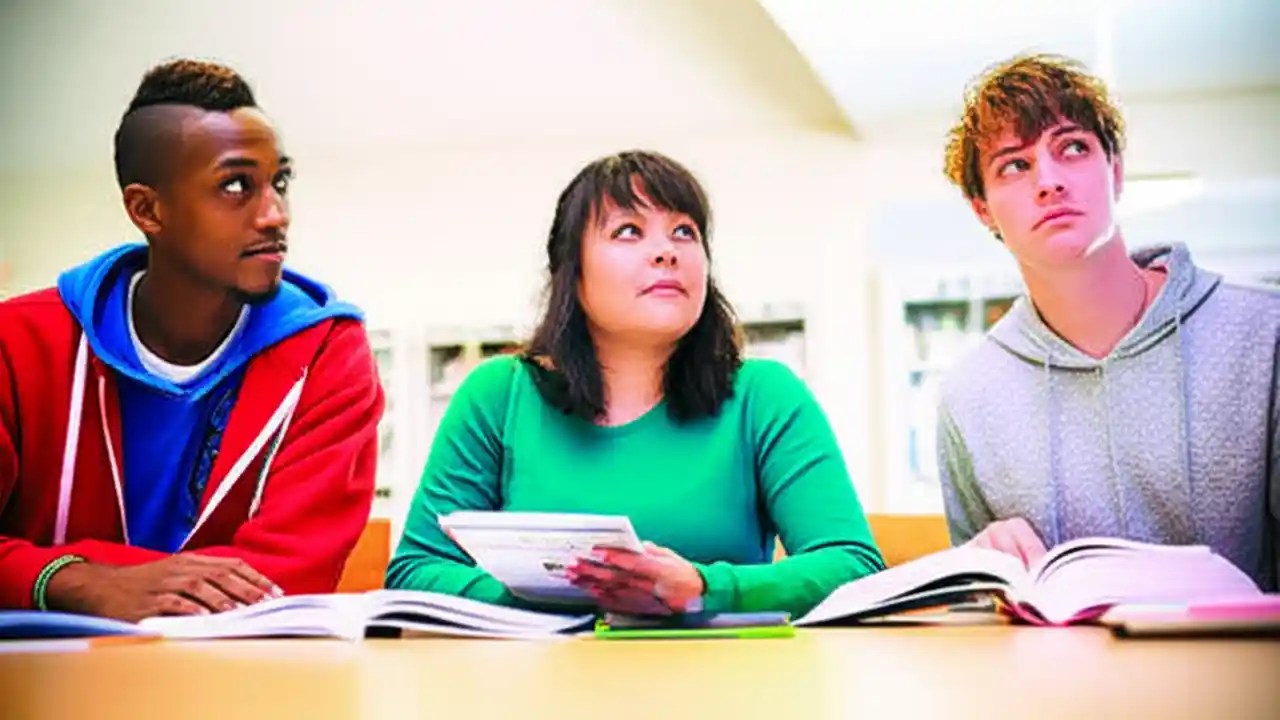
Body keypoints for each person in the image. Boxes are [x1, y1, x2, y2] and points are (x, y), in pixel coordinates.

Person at [386, 150, 883, 616]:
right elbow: (415, 571)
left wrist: (704, 588)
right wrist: (545, 595)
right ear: (571, 271)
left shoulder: (764, 395)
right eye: (628, 230)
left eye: (685, 232)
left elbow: (852, 565)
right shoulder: (499, 394)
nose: (667, 252)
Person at [0, 59, 385, 621]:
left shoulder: (329, 354)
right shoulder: (18, 342)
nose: (276, 214)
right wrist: (83, 584)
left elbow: (284, 579)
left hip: (234, 687)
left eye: (279, 182)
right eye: (236, 186)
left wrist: (61, 572)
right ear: (147, 209)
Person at [937, 53, 1279, 589]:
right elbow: (988, 614)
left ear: (1115, 172)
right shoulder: (968, 397)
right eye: (1014, 165)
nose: (1048, 182)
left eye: (1072, 148)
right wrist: (982, 564)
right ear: (983, 211)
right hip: (1063, 674)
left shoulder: (1265, 337)